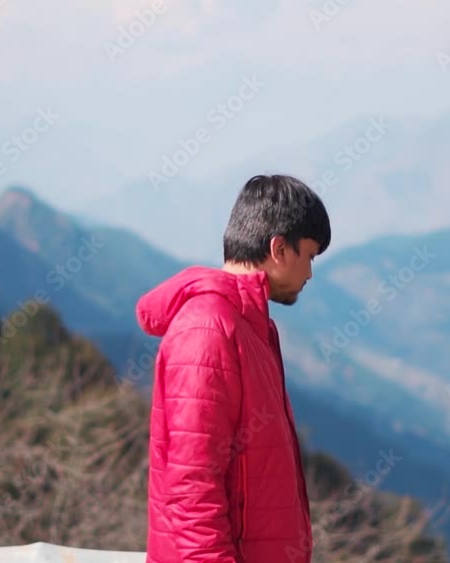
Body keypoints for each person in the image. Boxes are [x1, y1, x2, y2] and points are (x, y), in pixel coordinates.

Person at [136, 174, 331, 562]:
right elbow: (192, 488)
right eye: (309, 255)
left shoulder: (249, 327)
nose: (310, 273)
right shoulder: (207, 330)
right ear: (278, 248)